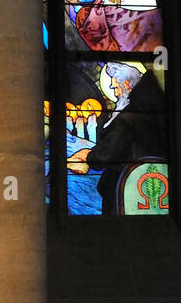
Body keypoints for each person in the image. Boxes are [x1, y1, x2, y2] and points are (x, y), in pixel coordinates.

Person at [67, 63, 167, 215]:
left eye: (115, 88)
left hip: (126, 192)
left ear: (126, 85)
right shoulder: (154, 113)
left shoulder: (127, 119)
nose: (115, 93)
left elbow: (104, 156)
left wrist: (88, 157)